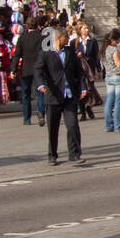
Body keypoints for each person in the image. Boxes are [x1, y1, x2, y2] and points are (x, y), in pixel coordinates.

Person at [36, 27, 86, 165]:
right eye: (66, 37)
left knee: (73, 125)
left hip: (69, 95)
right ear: (59, 38)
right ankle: (52, 155)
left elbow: (79, 71)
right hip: (53, 95)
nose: (68, 39)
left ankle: (75, 154)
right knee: (53, 127)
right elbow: (38, 71)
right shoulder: (45, 53)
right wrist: (40, 85)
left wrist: (83, 87)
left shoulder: (70, 52)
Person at [12, 17, 48, 126]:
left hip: (26, 69)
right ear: (37, 25)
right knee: (39, 93)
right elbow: (46, 53)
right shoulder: (42, 37)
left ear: (26, 26)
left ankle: (26, 118)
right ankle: (41, 113)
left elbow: (17, 54)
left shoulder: (22, 38)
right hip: (39, 68)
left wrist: (13, 69)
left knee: (25, 94)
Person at [100, 28, 120, 133]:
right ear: (114, 39)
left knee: (109, 101)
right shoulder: (114, 50)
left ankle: (108, 125)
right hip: (118, 76)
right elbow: (119, 64)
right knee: (118, 102)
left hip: (108, 76)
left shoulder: (104, 50)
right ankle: (118, 125)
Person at [75, 22, 100, 121]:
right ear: (79, 30)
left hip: (90, 69)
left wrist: (99, 69)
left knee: (91, 89)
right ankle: (83, 112)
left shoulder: (92, 41)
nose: (87, 30)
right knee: (81, 89)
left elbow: (96, 55)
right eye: (84, 28)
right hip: (79, 69)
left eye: (87, 28)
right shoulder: (75, 42)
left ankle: (89, 107)